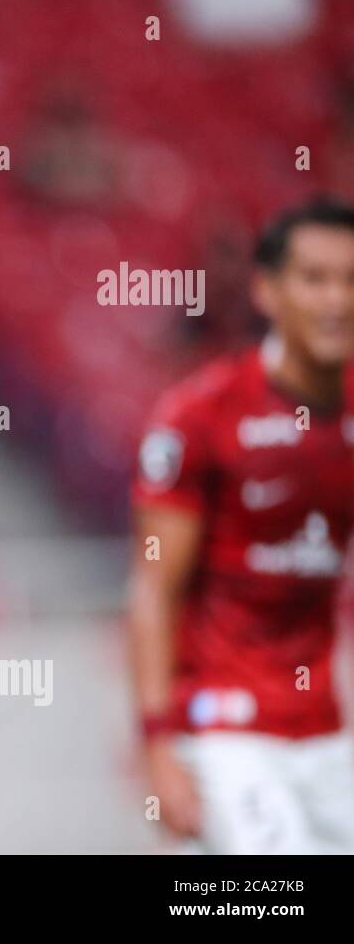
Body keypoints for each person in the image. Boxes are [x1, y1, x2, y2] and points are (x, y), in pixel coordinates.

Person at [128, 196, 354, 853]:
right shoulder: (203, 415)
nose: (337, 300)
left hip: (323, 727)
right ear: (266, 290)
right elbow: (154, 589)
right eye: (314, 279)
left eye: (350, 280)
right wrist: (156, 744)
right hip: (225, 729)